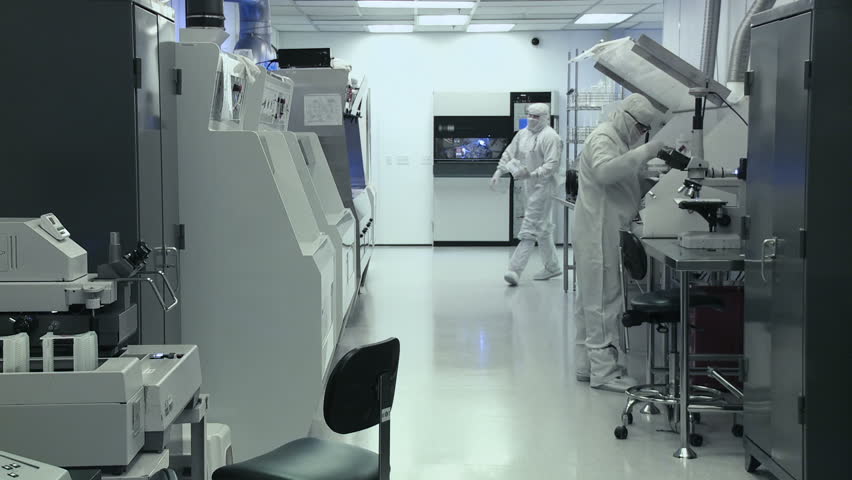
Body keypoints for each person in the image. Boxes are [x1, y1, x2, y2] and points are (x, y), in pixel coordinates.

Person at [573, 93, 665, 392]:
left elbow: (624, 177)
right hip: (600, 229)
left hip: (605, 227)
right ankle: (604, 372)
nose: (641, 136)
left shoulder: (618, 140)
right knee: (602, 299)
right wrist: (646, 152)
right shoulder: (604, 137)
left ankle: (587, 365)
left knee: (590, 300)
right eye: (640, 128)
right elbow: (605, 172)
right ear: (627, 118)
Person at [490, 103, 562, 286]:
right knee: (542, 228)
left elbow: (552, 165)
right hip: (527, 186)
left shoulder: (550, 137)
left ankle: (514, 270)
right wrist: (499, 172)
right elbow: (509, 152)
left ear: (546, 117)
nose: (531, 119)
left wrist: (531, 174)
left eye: (536, 116)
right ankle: (552, 266)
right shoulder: (523, 133)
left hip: (543, 187)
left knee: (530, 227)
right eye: (529, 115)